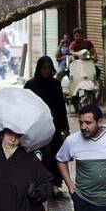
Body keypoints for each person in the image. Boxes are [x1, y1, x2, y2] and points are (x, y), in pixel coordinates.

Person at [25, 56, 69, 193]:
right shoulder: (30, 85)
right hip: (36, 126)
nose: (46, 70)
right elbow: (25, 106)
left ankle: (55, 183)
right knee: (39, 154)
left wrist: (65, 127)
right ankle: (38, 182)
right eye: (44, 67)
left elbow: (61, 106)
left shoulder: (55, 84)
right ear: (39, 68)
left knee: (55, 154)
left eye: (49, 68)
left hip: (53, 126)